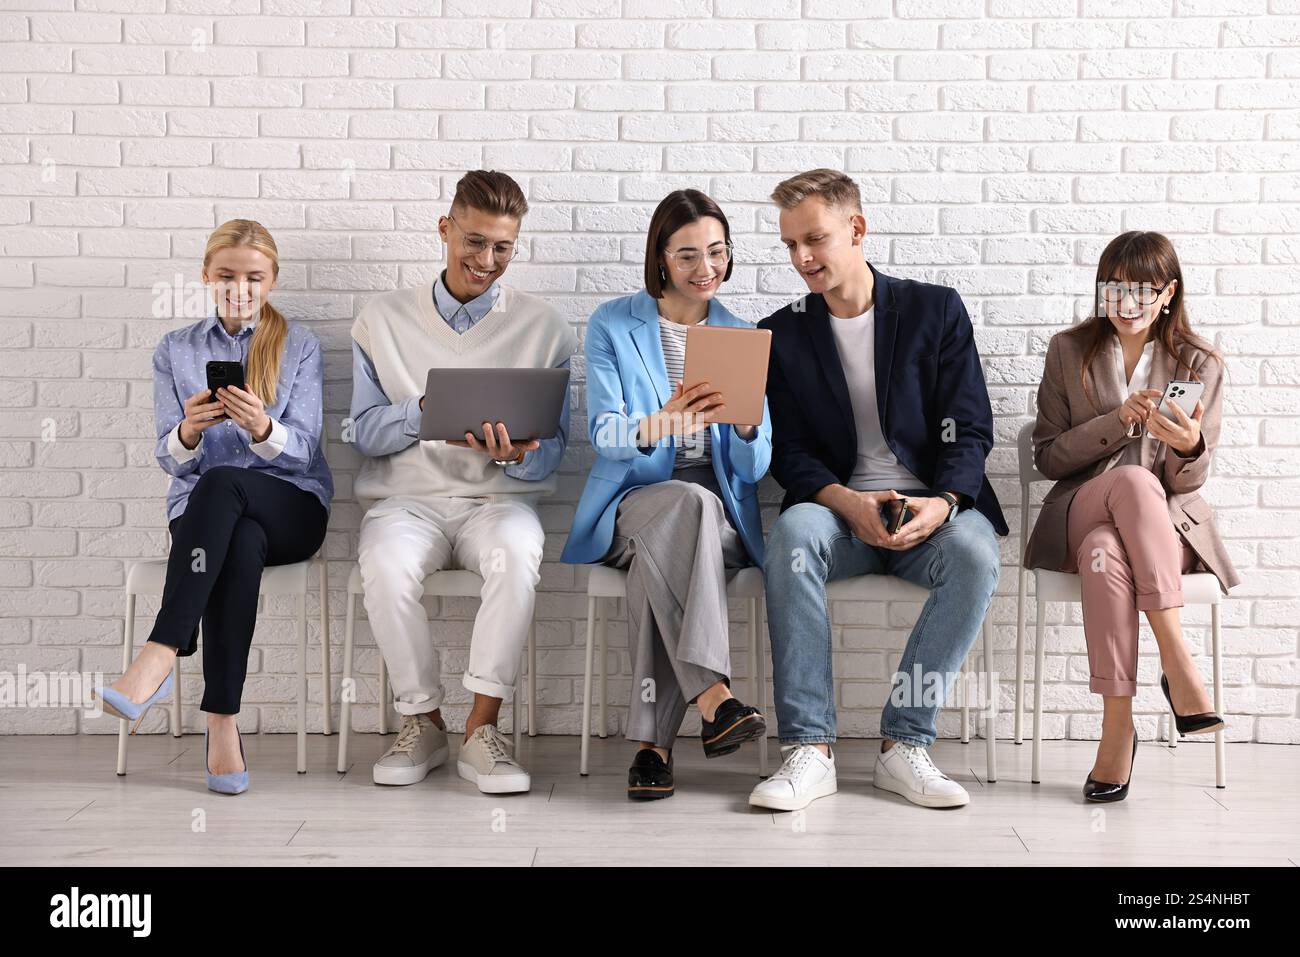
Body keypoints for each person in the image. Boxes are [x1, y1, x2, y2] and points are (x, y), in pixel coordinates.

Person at [749, 169, 1007, 812]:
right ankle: (810, 749)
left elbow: (969, 427)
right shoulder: (779, 330)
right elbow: (790, 452)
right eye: (789, 245)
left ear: (856, 228)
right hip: (838, 513)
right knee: (791, 538)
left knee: (975, 555)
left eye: (814, 239)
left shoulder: (934, 309)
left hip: (930, 507)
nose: (801, 258)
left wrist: (943, 503)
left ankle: (903, 745)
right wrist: (845, 501)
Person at [350, 170, 577, 795]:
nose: (486, 261)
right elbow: (364, 434)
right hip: (407, 502)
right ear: (445, 229)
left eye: (502, 248)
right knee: (386, 566)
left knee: (518, 552)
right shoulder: (382, 319)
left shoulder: (544, 327)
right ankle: (422, 722)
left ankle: (482, 730)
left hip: (497, 501)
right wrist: (424, 412)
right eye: (473, 242)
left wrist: (513, 456)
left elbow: (553, 453)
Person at [97, 219, 333, 795]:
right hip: (210, 521)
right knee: (238, 540)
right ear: (206, 276)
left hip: (292, 509)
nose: (240, 288)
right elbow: (169, 459)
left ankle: (157, 654)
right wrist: (188, 431)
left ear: (272, 281)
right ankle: (222, 726)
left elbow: (303, 456)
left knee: (229, 484)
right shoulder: (175, 349)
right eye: (227, 275)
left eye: (254, 278)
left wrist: (262, 427)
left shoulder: (298, 345)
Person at [562, 189, 772, 800]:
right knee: (684, 506)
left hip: (719, 511)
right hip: (638, 499)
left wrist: (747, 421)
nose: (705, 269)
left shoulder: (742, 333)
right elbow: (605, 435)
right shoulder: (614, 323)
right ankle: (714, 696)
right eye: (687, 256)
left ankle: (654, 748)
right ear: (660, 259)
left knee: (684, 529)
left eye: (716, 252)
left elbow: (755, 467)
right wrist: (665, 420)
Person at [1023, 231, 1238, 803]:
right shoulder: (1069, 350)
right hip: (1081, 503)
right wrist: (1118, 421)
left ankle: (1117, 730)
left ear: (1168, 293)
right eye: (1113, 287)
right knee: (1127, 488)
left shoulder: (1200, 363)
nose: (1126, 301)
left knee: (1106, 552)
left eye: (1142, 289)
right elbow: (1048, 457)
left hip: (1161, 532)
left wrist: (1191, 448)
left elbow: (1187, 484)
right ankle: (1178, 660)